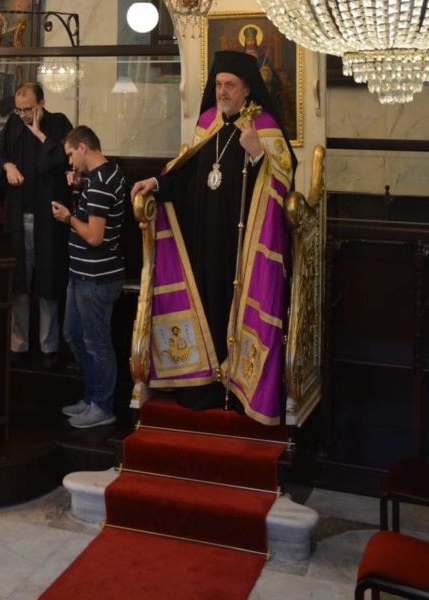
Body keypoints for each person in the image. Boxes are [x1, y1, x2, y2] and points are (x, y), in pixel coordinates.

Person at [130, 51, 295, 426]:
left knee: (233, 306)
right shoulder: (207, 123)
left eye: (230, 86)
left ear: (247, 89)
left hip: (243, 248)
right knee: (206, 305)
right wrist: (156, 182)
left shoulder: (263, 126)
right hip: (204, 237)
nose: (222, 91)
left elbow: (283, 182)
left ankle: (238, 388)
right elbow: (185, 171)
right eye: (218, 85)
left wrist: (256, 155)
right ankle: (202, 383)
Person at [0, 82, 72, 368]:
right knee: (20, 283)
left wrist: (38, 132)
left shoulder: (58, 122)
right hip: (20, 215)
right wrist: (8, 166)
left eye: (28, 109)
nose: (24, 115)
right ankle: (19, 343)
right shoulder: (13, 124)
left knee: (48, 283)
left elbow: (63, 159)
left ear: (41, 103)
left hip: (49, 217)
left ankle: (49, 346)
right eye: (19, 109)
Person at [51, 126, 126, 429]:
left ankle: (102, 405)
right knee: (73, 334)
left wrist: (67, 217)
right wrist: (78, 190)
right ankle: (93, 395)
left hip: (95, 277)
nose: (70, 162)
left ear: (82, 147)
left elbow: (94, 236)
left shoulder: (100, 184)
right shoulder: (107, 174)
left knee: (96, 343)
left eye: (70, 154)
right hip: (82, 273)